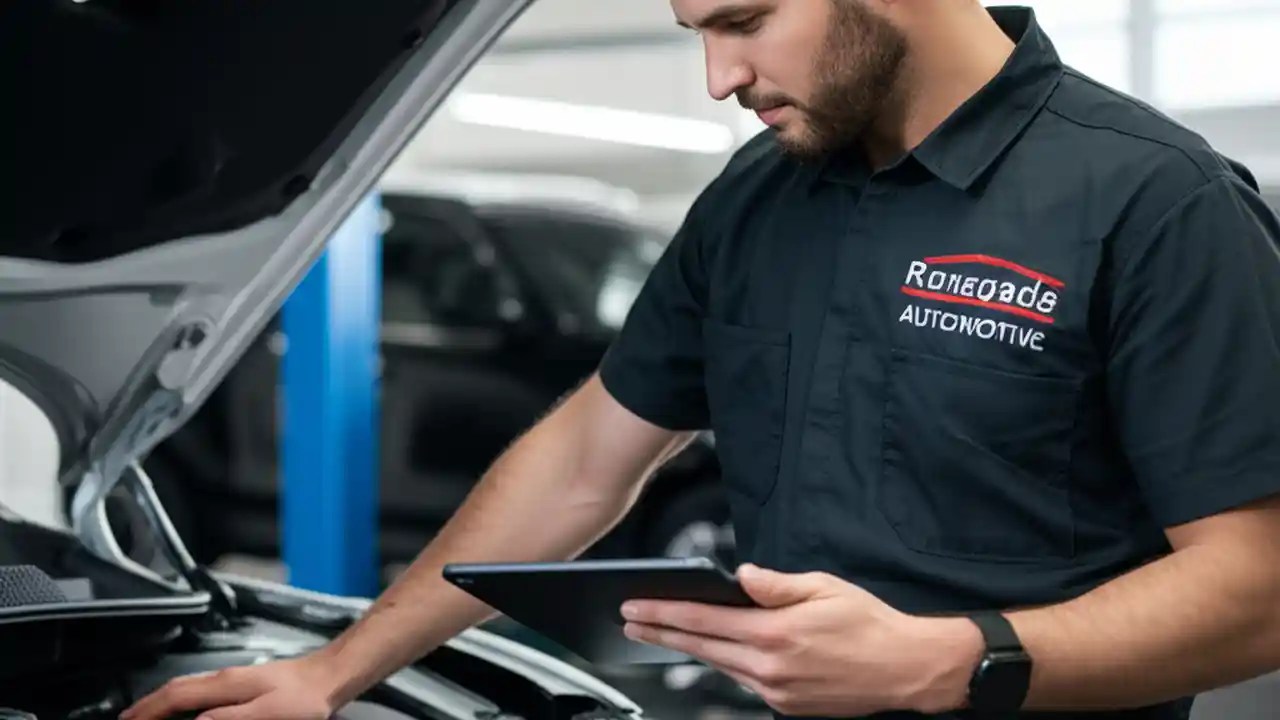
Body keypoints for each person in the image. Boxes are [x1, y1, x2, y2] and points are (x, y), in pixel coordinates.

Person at [125, 1, 1280, 719]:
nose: (717, 79)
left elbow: (1256, 587)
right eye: (696, 34)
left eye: (743, 20)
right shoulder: (756, 196)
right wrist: (334, 674)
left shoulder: (1152, 201)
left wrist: (946, 661)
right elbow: (584, 457)